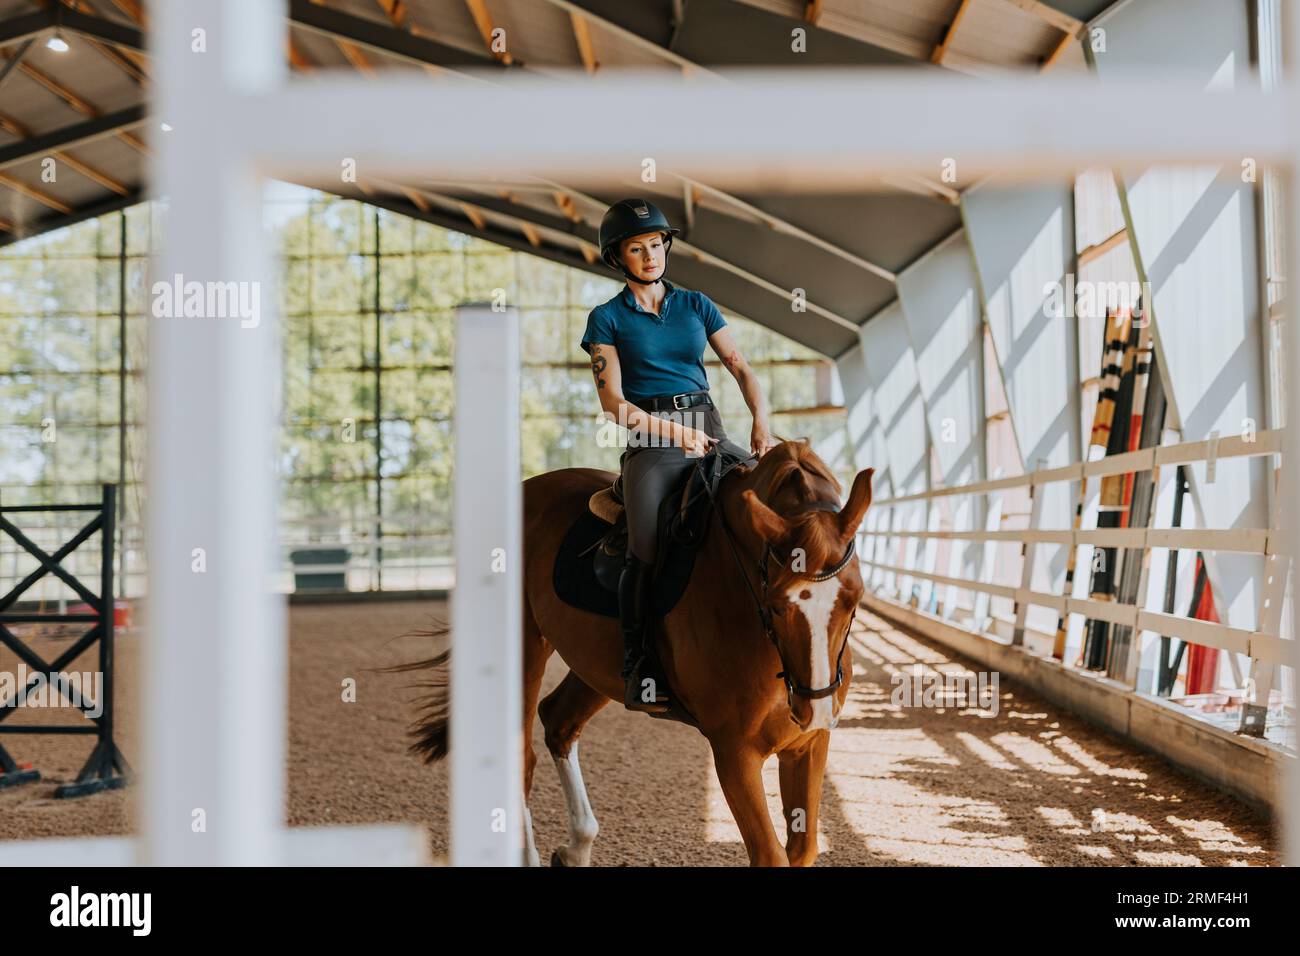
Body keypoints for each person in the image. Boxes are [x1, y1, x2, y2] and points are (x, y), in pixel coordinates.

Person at [580, 198, 780, 713]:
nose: (650, 256)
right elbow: (612, 406)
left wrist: (761, 420)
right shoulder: (606, 319)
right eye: (636, 248)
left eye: (655, 245)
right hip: (651, 438)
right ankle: (639, 662)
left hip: (709, 426)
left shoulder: (697, 304)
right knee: (644, 547)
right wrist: (672, 433)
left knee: (762, 514)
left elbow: (740, 367)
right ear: (618, 258)